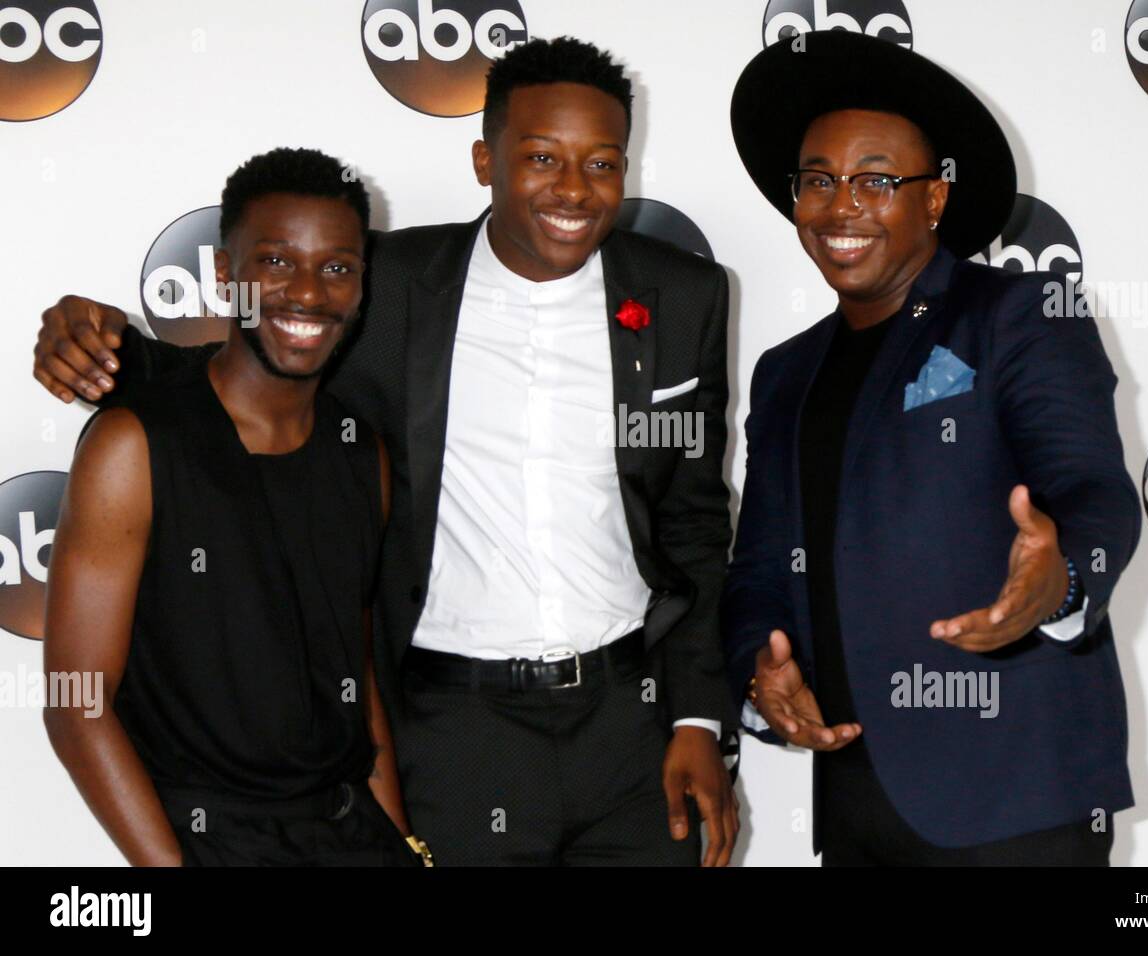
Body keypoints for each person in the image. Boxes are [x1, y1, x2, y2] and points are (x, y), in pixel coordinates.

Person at [33, 37, 739, 866]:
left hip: (633, 725)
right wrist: (113, 345)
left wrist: (699, 718)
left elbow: (694, 521)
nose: (574, 190)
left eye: (603, 162)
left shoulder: (683, 298)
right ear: (487, 159)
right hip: (453, 733)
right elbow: (270, 354)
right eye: (543, 157)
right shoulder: (392, 285)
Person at [723, 31, 1140, 865]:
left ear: (936, 200)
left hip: (1015, 795)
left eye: (877, 180)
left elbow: (1092, 490)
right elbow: (761, 566)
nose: (842, 207)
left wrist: (1056, 584)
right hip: (857, 800)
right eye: (818, 180)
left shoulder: (1021, 314)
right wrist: (755, 670)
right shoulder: (785, 373)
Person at [42, 148, 429, 866]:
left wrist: (400, 840)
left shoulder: (358, 451)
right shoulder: (133, 446)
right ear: (225, 276)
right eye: (276, 263)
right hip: (211, 840)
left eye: (338, 268)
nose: (308, 293)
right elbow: (76, 703)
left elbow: (354, 674)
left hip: (353, 833)